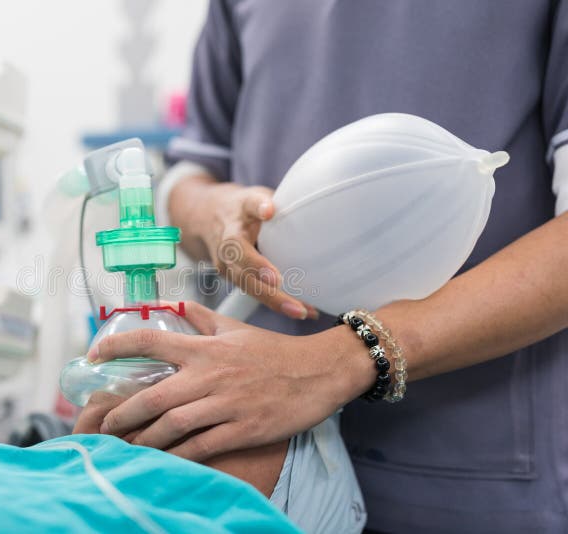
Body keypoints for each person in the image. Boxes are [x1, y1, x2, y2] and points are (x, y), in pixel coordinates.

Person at [83, 1, 568, 533]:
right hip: (259, 466)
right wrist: (214, 215)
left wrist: (339, 361)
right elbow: (192, 171)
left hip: (466, 470)